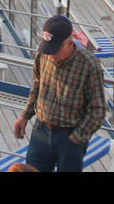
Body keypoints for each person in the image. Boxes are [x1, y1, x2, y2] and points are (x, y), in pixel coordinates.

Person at [11, 15, 106, 173]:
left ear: (69, 43)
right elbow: (37, 85)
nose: (50, 55)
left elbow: (98, 109)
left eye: (54, 50)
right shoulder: (43, 54)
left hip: (70, 136)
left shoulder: (88, 65)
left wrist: (76, 138)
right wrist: (25, 115)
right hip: (41, 130)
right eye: (48, 49)